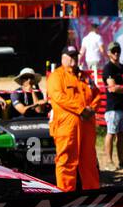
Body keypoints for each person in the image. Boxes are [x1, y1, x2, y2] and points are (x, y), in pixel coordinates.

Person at [44, 46, 102, 191]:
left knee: (89, 162)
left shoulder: (85, 76)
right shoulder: (56, 76)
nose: (73, 59)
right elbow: (58, 97)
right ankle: (65, 196)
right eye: (70, 56)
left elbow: (97, 94)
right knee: (66, 161)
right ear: (63, 58)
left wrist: (92, 109)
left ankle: (92, 196)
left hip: (87, 125)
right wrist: (81, 110)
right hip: (67, 127)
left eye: (75, 55)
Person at [100, 43, 123, 169]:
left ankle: (121, 161)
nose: (116, 53)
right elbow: (113, 88)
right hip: (113, 107)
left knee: (121, 134)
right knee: (111, 133)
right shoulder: (108, 68)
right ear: (109, 53)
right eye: (113, 51)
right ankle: (109, 161)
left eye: (118, 50)